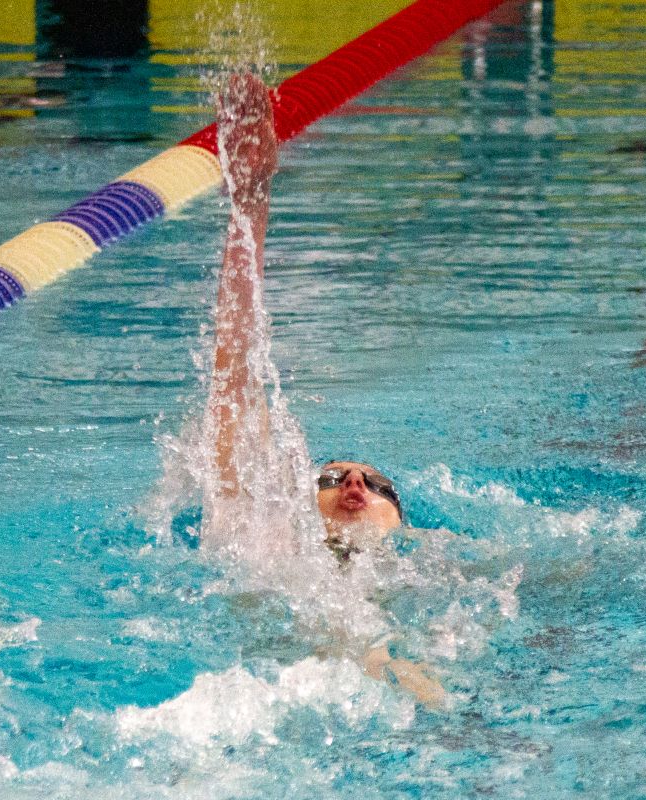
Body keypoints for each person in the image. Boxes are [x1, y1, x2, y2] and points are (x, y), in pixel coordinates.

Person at [208, 72, 445, 708]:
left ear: (400, 516)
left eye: (373, 483)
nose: (354, 486)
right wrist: (250, 198)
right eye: (332, 476)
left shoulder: (438, 567)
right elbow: (232, 378)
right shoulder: (261, 541)